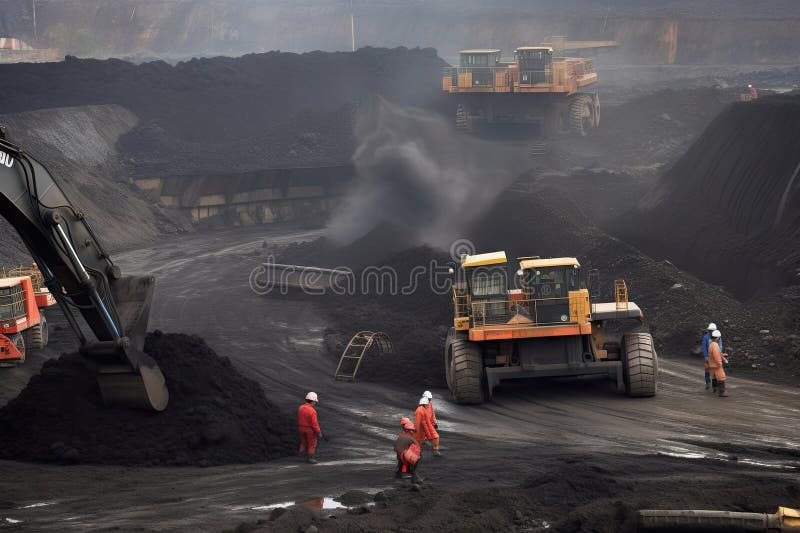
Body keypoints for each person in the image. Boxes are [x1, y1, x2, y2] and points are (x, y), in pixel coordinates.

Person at [395, 417, 422, 483]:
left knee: (401, 461)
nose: (413, 432)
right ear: (409, 430)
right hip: (403, 456)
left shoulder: (401, 435)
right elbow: (417, 447)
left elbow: (395, 447)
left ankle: (398, 474)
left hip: (399, 455)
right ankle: (414, 476)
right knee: (417, 458)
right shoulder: (410, 438)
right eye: (412, 430)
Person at [298, 391, 322, 463]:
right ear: (312, 401)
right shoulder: (312, 411)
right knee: (312, 444)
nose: (315, 403)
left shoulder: (300, 408)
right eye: (315, 402)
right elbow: (314, 424)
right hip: (310, 430)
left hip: (301, 428)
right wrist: (318, 432)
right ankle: (311, 458)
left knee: (303, 443)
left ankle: (301, 457)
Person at [701, 322, 723, 390]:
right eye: (710, 330)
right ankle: (708, 383)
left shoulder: (717, 336)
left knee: (715, 370)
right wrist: (706, 356)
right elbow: (704, 347)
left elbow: (720, 345)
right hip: (708, 356)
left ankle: (715, 385)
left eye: (712, 330)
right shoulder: (706, 337)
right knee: (707, 370)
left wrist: (720, 353)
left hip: (715, 356)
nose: (711, 331)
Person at [707, 330, 729, 397]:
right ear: (717, 337)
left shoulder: (711, 344)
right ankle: (722, 393)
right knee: (721, 377)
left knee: (714, 377)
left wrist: (722, 355)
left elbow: (714, 354)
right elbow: (716, 356)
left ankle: (715, 389)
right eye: (719, 337)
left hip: (712, 364)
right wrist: (720, 363)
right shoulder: (715, 345)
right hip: (716, 365)